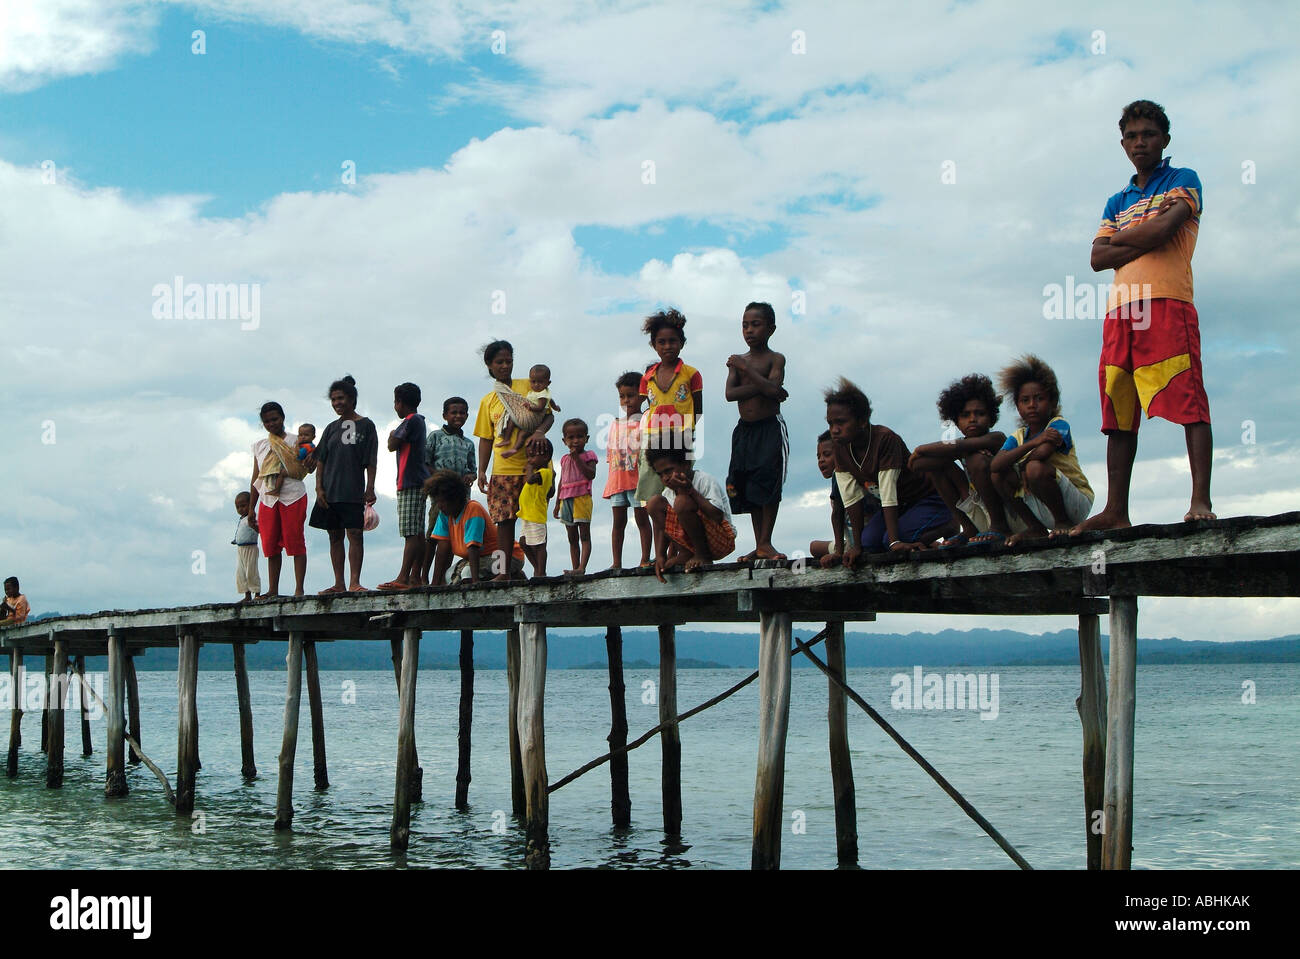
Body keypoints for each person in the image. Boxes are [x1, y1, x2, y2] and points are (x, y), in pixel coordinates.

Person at [1077, 99, 1213, 533]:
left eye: (1148, 135)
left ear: (1164, 140)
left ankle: (1200, 501)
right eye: (1132, 136)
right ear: (1122, 144)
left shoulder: (1184, 179)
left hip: (1168, 302)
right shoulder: (1116, 199)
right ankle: (1116, 509)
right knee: (1117, 405)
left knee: (1187, 396)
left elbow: (1166, 230)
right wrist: (1144, 236)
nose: (1140, 143)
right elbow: (1098, 258)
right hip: (1120, 311)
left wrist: (1126, 240)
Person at [824, 378, 956, 559]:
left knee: (889, 542)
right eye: (830, 424)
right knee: (868, 543)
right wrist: (855, 547)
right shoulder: (840, 448)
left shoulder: (885, 439)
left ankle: (949, 524)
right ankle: (904, 536)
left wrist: (895, 541)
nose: (834, 430)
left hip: (928, 498)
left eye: (841, 422)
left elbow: (888, 491)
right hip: (901, 505)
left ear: (862, 421)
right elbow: (851, 499)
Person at [990, 355, 1095, 546]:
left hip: (1075, 503)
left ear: (1053, 402)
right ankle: (1035, 528)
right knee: (999, 476)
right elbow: (995, 465)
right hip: (1043, 506)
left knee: (1034, 468)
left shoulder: (1058, 424)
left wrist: (1023, 463)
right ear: (1018, 406)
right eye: (1025, 400)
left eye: (1039, 398)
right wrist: (1032, 443)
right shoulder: (1019, 436)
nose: (1032, 405)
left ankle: (1063, 521)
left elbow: (1044, 453)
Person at [474, 340, 553, 581]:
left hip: (533, 465)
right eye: (500, 362)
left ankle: (540, 572)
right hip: (503, 468)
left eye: (509, 361)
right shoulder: (488, 401)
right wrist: (481, 471)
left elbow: (548, 416)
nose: (505, 366)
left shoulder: (529, 385)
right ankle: (503, 572)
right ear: (490, 365)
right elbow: (486, 439)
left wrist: (539, 433)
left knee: (535, 523)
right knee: (504, 524)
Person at [908, 374, 1011, 547]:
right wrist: (949, 456)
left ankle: (999, 526)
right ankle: (969, 528)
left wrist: (920, 449)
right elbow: (918, 465)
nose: (972, 419)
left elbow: (955, 447)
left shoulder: (997, 439)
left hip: (1008, 512)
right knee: (939, 468)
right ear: (956, 421)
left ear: (991, 418)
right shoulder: (962, 448)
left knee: (976, 460)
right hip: (979, 510)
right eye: (965, 415)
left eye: (980, 413)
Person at [724, 301, 789, 562]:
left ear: (771, 329)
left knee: (768, 479)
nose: (749, 330)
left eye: (755, 324)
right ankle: (759, 544)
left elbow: (774, 392)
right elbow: (730, 394)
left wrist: (747, 371)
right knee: (747, 483)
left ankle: (766, 542)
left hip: (769, 427)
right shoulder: (737, 361)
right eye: (745, 325)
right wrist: (765, 387)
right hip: (745, 430)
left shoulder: (775, 358)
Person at [309, 375, 378, 593]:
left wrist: (370, 487)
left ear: (352, 399)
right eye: (334, 399)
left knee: (355, 534)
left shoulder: (366, 425)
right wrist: (319, 488)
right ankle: (339, 583)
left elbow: (371, 460)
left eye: (341, 398)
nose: (337, 403)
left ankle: (354, 582)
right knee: (334, 535)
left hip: (353, 490)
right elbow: (320, 460)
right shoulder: (330, 428)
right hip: (330, 491)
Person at [636, 309, 703, 508]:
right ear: (654, 345)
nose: (667, 346)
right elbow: (649, 408)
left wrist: (689, 432)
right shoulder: (647, 377)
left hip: (681, 436)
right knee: (652, 490)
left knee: (680, 485)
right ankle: (661, 536)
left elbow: (698, 408)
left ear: (681, 343)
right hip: (653, 437)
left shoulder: (691, 374)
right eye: (661, 342)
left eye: (673, 341)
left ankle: (680, 534)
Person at [646, 441, 737, 581]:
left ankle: (702, 556)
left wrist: (690, 491)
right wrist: (660, 556)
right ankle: (686, 553)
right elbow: (661, 528)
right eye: (660, 474)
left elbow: (717, 516)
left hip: (720, 540)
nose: (665, 478)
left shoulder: (704, 480)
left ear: (686, 465)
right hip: (691, 544)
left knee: (682, 502)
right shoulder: (668, 493)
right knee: (653, 503)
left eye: (668, 471)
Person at [247, 401, 312, 598]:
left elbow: (307, 466)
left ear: (282, 418)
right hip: (267, 498)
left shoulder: (296, 440)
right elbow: (256, 477)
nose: (271, 424)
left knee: (295, 541)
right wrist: (251, 508)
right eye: (266, 421)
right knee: (270, 544)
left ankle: (299, 589)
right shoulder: (260, 446)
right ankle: (273, 589)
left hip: (292, 495)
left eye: (274, 419)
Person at [425, 469, 525, 585]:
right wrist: (435, 584)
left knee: (467, 574)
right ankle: (512, 576)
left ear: (455, 498)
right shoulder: (445, 514)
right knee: (449, 575)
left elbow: (473, 547)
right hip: (483, 558)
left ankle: (513, 575)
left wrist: (475, 582)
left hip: (508, 557)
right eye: (437, 502)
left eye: (442, 502)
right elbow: (442, 549)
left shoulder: (472, 509)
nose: (440, 506)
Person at [419, 396, 477, 584]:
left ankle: (442, 577)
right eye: (454, 412)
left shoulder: (468, 443)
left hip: (461, 499)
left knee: (452, 537)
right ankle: (423, 576)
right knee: (433, 536)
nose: (458, 416)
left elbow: (472, 469)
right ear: (445, 415)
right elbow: (425, 462)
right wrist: (440, 480)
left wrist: (470, 476)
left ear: (467, 415)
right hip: (440, 496)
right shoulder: (436, 436)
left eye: (462, 413)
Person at [378, 382, 429, 590]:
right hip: (416, 481)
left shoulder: (411, 420)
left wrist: (392, 434)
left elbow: (392, 444)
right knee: (417, 532)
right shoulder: (418, 421)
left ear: (399, 402)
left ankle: (403, 577)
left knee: (410, 532)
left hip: (410, 481)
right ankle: (414, 577)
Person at [604, 371, 652, 570]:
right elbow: (610, 455)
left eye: (630, 395)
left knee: (642, 520)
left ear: (642, 395)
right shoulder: (615, 424)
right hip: (617, 482)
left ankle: (645, 558)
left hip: (637, 481)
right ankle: (616, 563)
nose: (626, 400)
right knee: (618, 523)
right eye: (622, 396)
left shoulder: (644, 421)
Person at [809, 431, 860, 568]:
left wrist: (838, 553)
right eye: (818, 456)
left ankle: (842, 548)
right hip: (848, 543)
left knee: (817, 548)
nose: (821, 460)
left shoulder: (842, 475)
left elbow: (837, 514)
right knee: (814, 547)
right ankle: (841, 547)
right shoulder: (836, 480)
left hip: (862, 541)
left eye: (827, 455)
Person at [555, 418, 598, 575]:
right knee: (572, 537)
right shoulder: (564, 459)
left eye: (580, 437)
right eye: (571, 438)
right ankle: (575, 567)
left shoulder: (589, 455)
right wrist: (556, 503)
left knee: (584, 535)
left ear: (586, 438)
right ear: (564, 440)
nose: (575, 441)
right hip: (566, 499)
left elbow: (591, 474)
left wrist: (577, 459)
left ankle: (582, 567)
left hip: (582, 498)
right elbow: (562, 481)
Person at [502, 364, 561, 458]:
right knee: (516, 426)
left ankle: (514, 447)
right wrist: (555, 407)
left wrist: (530, 407)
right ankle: (508, 441)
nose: (536, 384)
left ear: (548, 383)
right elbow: (551, 400)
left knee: (520, 432)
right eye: (533, 382)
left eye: (540, 382)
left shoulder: (542, 394)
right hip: (530, 417)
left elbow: (541, 407)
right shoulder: (538, 392)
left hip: (536, 418)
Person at [518, 439, 556, 577]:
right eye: (528, 456)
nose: (530, 460)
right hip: (527, 514)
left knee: (539, 545)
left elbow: (530, 480)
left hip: (536, 514)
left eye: (532, 456)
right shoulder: (540, 470)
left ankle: (540, 572)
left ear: (545, 457)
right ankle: (538, 568)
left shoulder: (545, 472)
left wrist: (528, 468)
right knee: (523, 543)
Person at [232, 492, 262, 601]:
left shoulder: (252, 517)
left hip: (251, 548)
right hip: (241, 548)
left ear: (250, 505)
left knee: (251, 571)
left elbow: (260, 530)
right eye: (238, 507)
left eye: (243, 506)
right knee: (241, 572)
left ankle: (257, 593)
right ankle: (247, 595)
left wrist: (253, 526)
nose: (240, 509)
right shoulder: (241, 519)